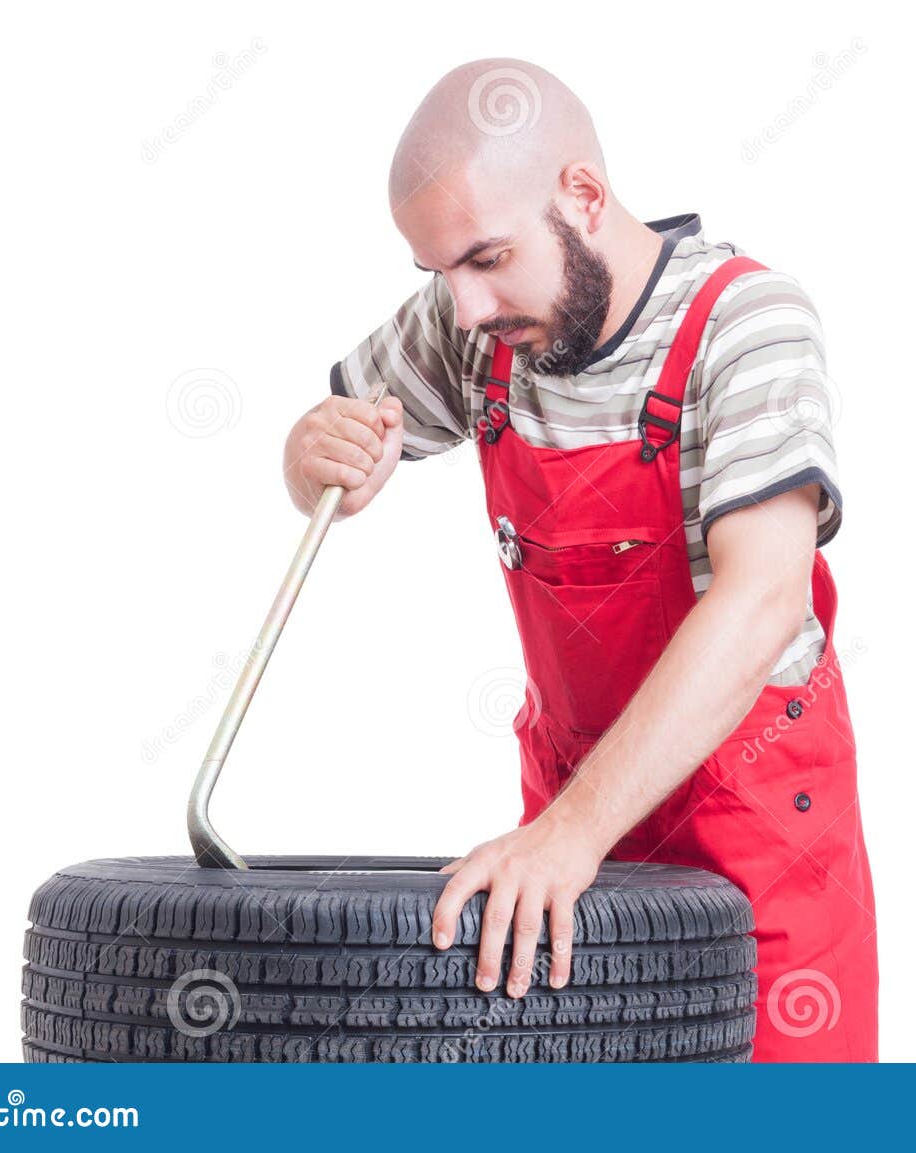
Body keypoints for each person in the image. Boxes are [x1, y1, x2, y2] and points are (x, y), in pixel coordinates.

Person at [281, 58, 877, 1061]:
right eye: (438, 274)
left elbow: (762, 599)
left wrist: (570, 834)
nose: (464, 308)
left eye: (487, 258)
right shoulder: (481, 327)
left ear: (584, 196)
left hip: (757, 840)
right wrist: (311, 456)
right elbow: (337, 434)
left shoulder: (746, 325)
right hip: (567, 854)